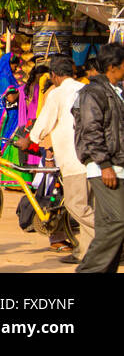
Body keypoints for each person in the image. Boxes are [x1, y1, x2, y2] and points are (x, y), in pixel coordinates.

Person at [27, 54, 91, 264]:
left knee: (76, 206)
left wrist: (29, 139)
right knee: (88, 205)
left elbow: (44, 122)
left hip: (74, 158)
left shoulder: (58, 93)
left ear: (54, 75)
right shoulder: (84, 89)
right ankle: (86, 252)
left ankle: (110, 238)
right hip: (93, 157)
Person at [73, 42, 124, 273]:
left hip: (117, 165)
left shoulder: (117, 91)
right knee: (118, 222)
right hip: (104, 166)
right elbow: (91, 130)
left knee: (108, 226)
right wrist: (105, 165)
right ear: (113, 67)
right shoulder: (92, 93)